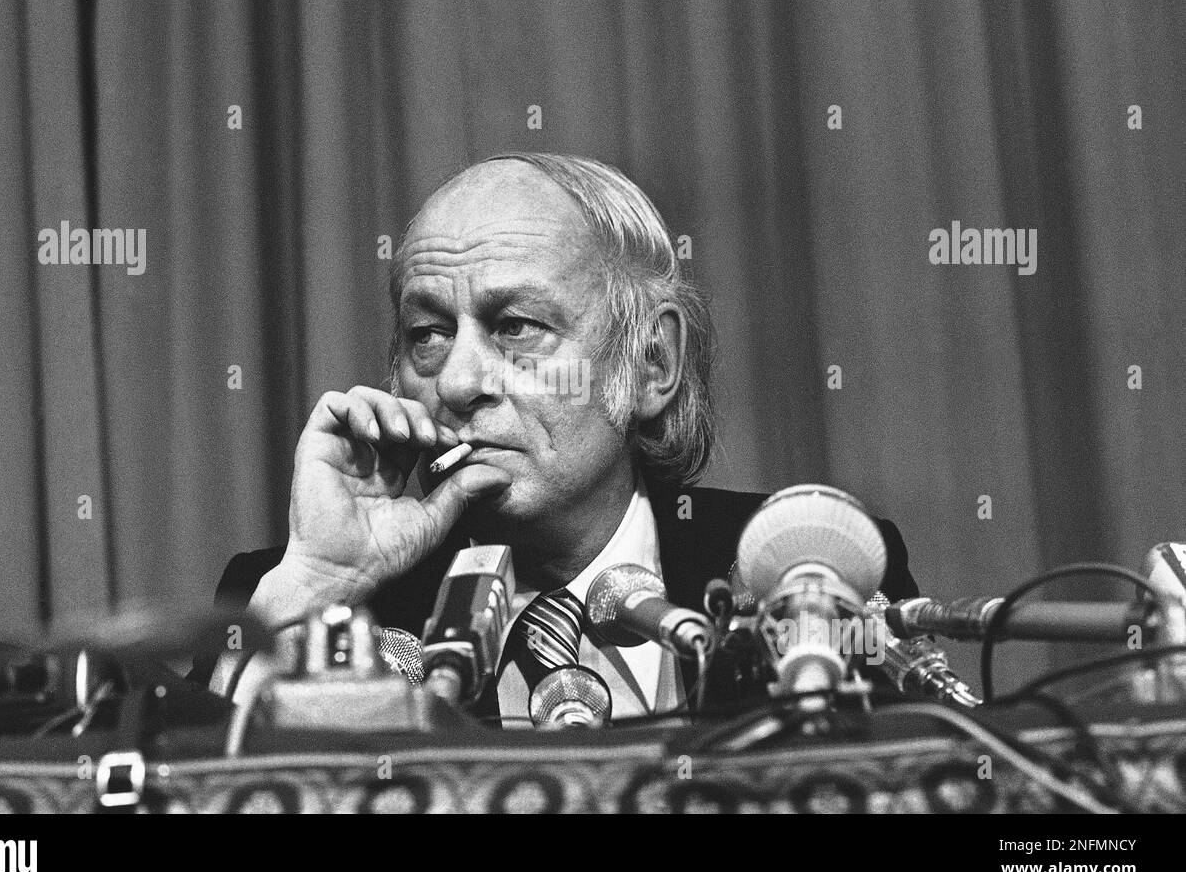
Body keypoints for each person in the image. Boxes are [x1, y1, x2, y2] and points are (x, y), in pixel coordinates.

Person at [188, 152, 918, 722]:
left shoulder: (813, 575)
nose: (458, 382)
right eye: (427, 335)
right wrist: (316, 583)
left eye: (516, 328)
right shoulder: (298, 597)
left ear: (650, 363)